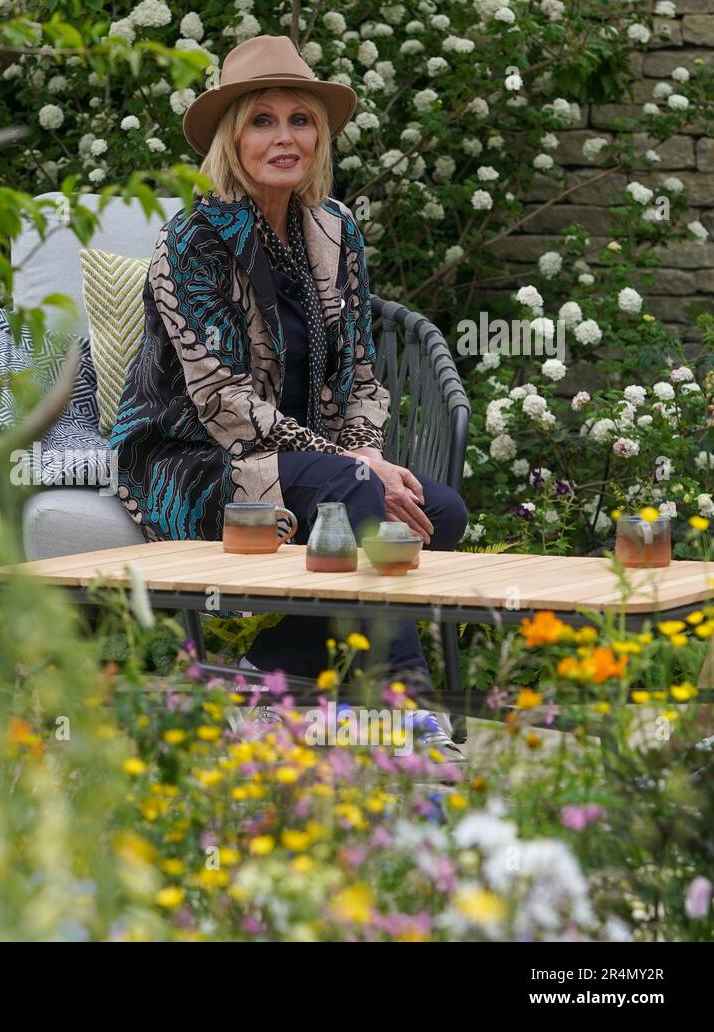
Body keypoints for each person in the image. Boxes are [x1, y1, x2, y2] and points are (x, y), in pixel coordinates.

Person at [109, 35, 468, 756]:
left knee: (442, 512)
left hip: (306, 460)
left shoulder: (335, 231)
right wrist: (353, 466)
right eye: (262, 120)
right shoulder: (192, 239)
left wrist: (364, 448)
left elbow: (363, 372)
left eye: (299, 119)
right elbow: (222, 401)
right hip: (194, 461)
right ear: (231, 138)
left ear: (320, 136)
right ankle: (407, 709)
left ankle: (273, 678)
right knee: (351, 491)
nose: (284, 137)